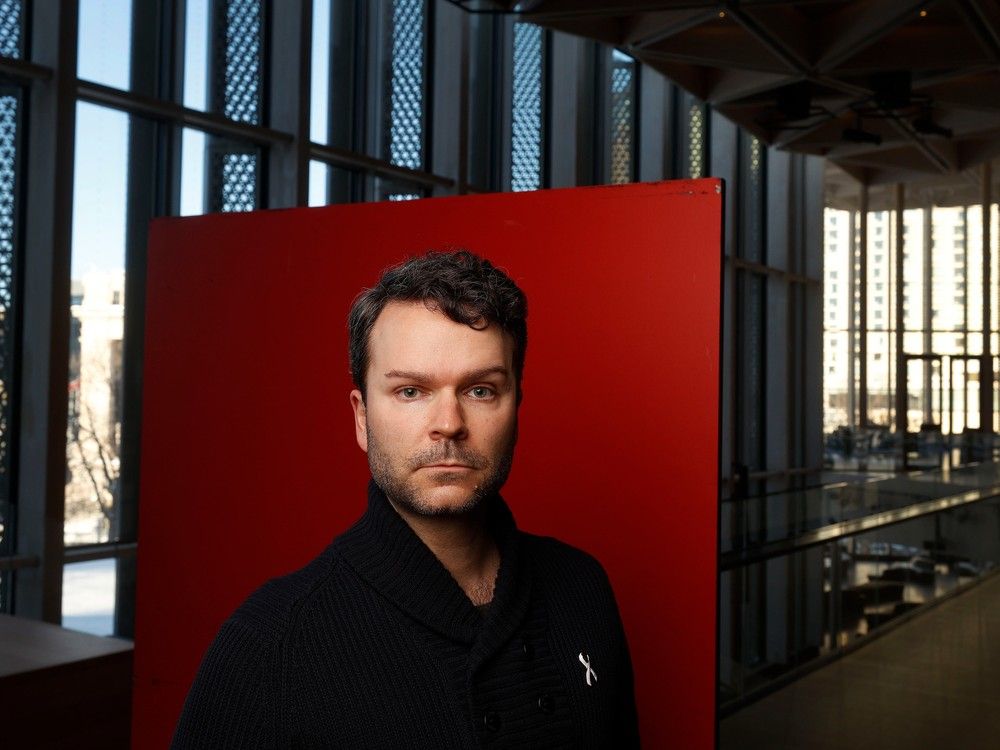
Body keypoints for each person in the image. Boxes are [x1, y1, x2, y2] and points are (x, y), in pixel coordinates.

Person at [172, 250, 639, 748]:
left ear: (516, 407)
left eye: (480, 390)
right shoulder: (270, 645)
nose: (449, 423)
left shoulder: (582, 587)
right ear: (361, 417)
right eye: (411, 392)